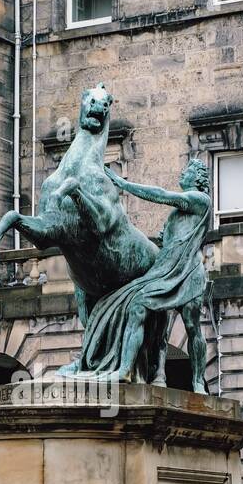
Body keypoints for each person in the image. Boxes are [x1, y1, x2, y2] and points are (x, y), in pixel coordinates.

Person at [66, 159, 213, 393]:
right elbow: (168, 241)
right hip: (165, 270)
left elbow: (161, 195)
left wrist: (121, 184)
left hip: (188, 272)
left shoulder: (200, 200)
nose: (182, 173)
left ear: (197, 178)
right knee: (136, 305)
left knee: (192, 326)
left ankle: (197, 382)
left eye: (187, 171)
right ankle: (124, 369)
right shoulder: (178, 214)